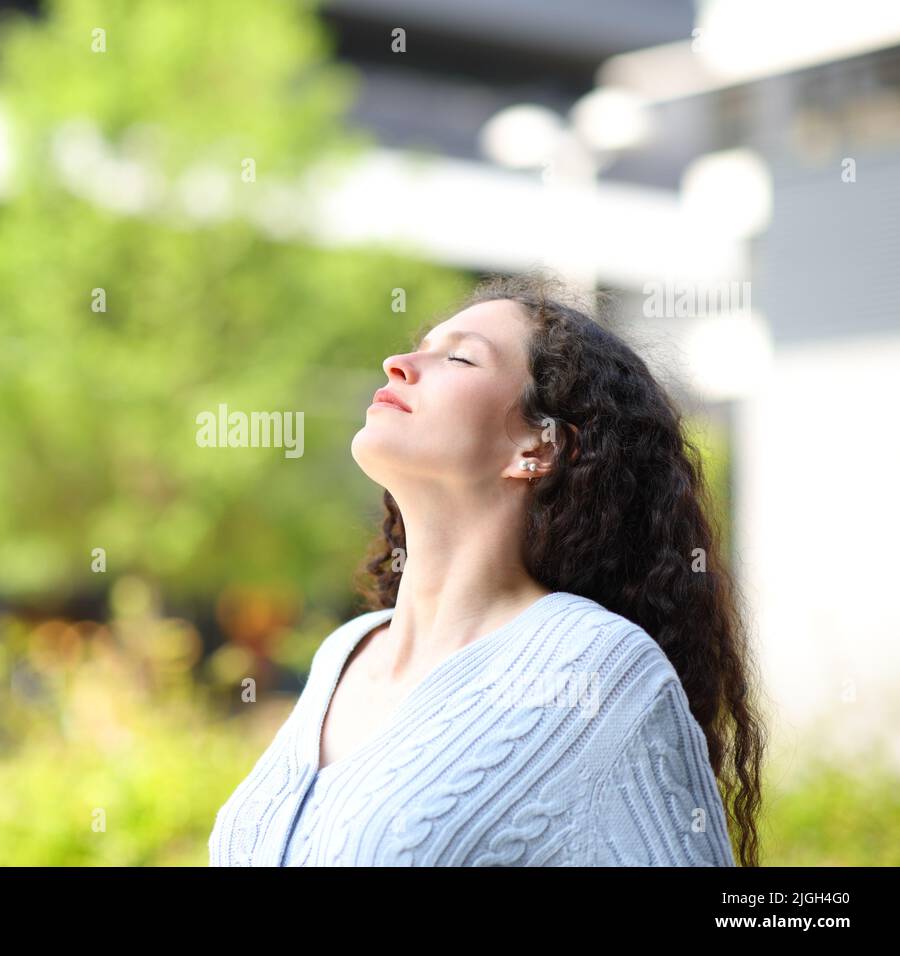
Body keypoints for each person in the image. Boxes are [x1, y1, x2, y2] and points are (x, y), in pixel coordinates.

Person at [208, 272, 765, 866]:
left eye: (459, 358)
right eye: (419, 346)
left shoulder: (597, 669)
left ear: (539, 446)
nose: (397, 363)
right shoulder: (344, 652)